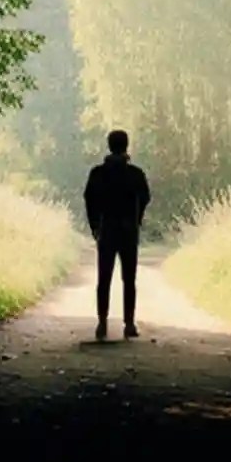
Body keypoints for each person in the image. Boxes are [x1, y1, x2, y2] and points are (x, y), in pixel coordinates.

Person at [83, 129, 151, 341]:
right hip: (128, 230)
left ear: (109, 145)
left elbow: (89, 198)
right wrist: (137, 218)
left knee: (104, 277)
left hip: (107, 229)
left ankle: (102, 323)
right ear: (126, 146)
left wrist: (95, 224)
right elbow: (146, 197)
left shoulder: (98, 173)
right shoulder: (135, 174)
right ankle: (128, 323)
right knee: (128, 279)